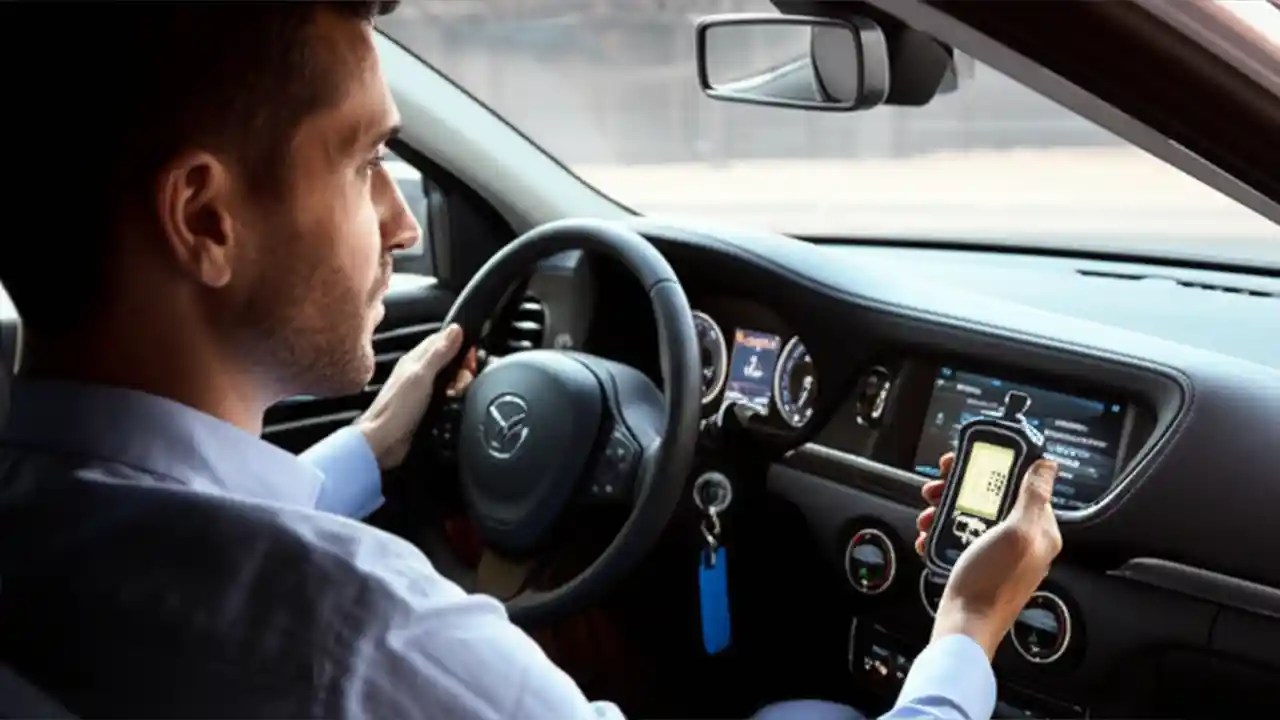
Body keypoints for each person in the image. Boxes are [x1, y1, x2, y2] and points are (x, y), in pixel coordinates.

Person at [0, 3, 1059, 718]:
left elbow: (185, 522)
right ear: (205, 219)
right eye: (365, 163)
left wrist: (370, 446)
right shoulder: (365, 639)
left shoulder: (45, 519)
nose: (399, 223)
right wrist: (965, 634)